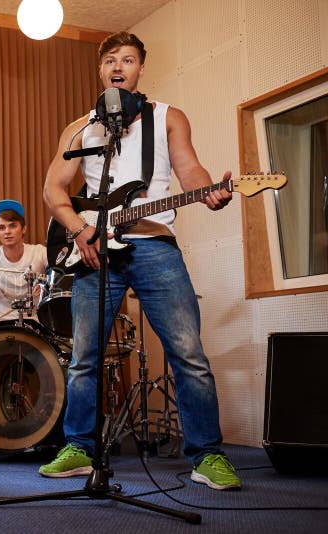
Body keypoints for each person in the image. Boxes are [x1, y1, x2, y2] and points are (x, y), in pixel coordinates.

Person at [40, 32, 241, 490]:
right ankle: (78, 447)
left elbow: (190, 170)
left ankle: (207, 454)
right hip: (93, 250)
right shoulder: (79, 127)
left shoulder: (168, 117)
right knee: (85, 358)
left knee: (188, 353)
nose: (118, 66)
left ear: (140, 68)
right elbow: (54, 190)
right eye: (110, 59)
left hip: (154, 243)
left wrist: (209, 191)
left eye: (127, 60)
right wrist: (79, 229)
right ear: (100, 69)